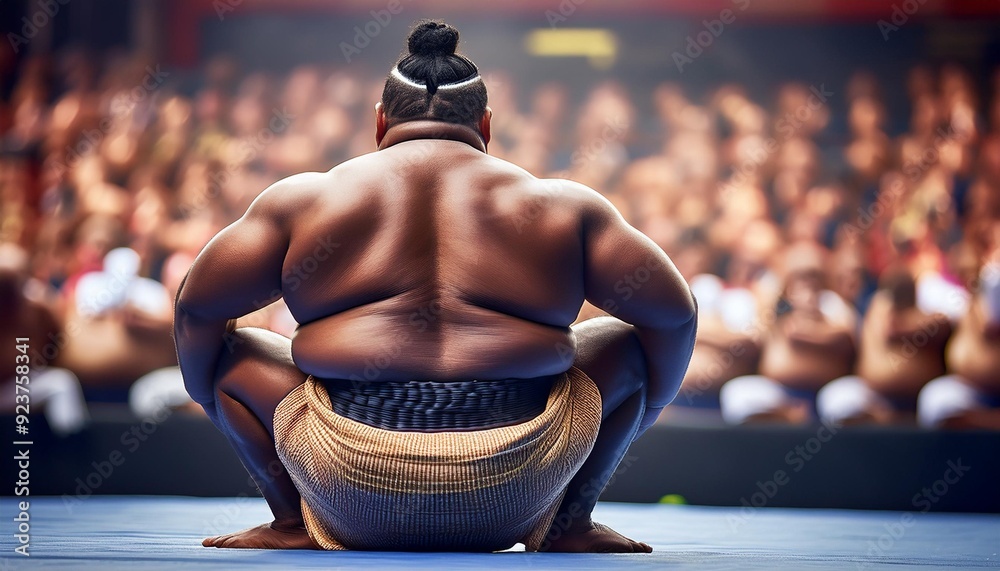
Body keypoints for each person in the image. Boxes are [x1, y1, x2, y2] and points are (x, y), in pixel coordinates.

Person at [174, 21, 696, 553]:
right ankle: (572, 524)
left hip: (349, 486)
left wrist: (205, 397)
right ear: (486, 125)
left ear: (380, 122)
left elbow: (195, 310)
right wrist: (641, 414)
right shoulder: (562, 207)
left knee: (239, 355)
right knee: (623, 344)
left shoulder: (305, 201)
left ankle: (290, 522)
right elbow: (675, 315)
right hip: (519, 486)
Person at [720, 241, 856, 424]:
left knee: (845, 404)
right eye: (798, 276)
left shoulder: (831, 303)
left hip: (827, 389)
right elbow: (755, 339)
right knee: (738, 396)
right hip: (779, 392)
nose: (806, 283)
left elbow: (849, 338)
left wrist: (807, 330)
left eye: (811, 276)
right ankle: (788, 414)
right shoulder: (775, 305)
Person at [817, 267, 951, 425]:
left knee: (940, 404)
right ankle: (886, 418)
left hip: (921, 396)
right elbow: (888, 330)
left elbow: (939, 324)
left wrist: (906, 323)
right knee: (837, 400)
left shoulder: (930, 306)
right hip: (876, 397)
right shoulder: (879, 308)